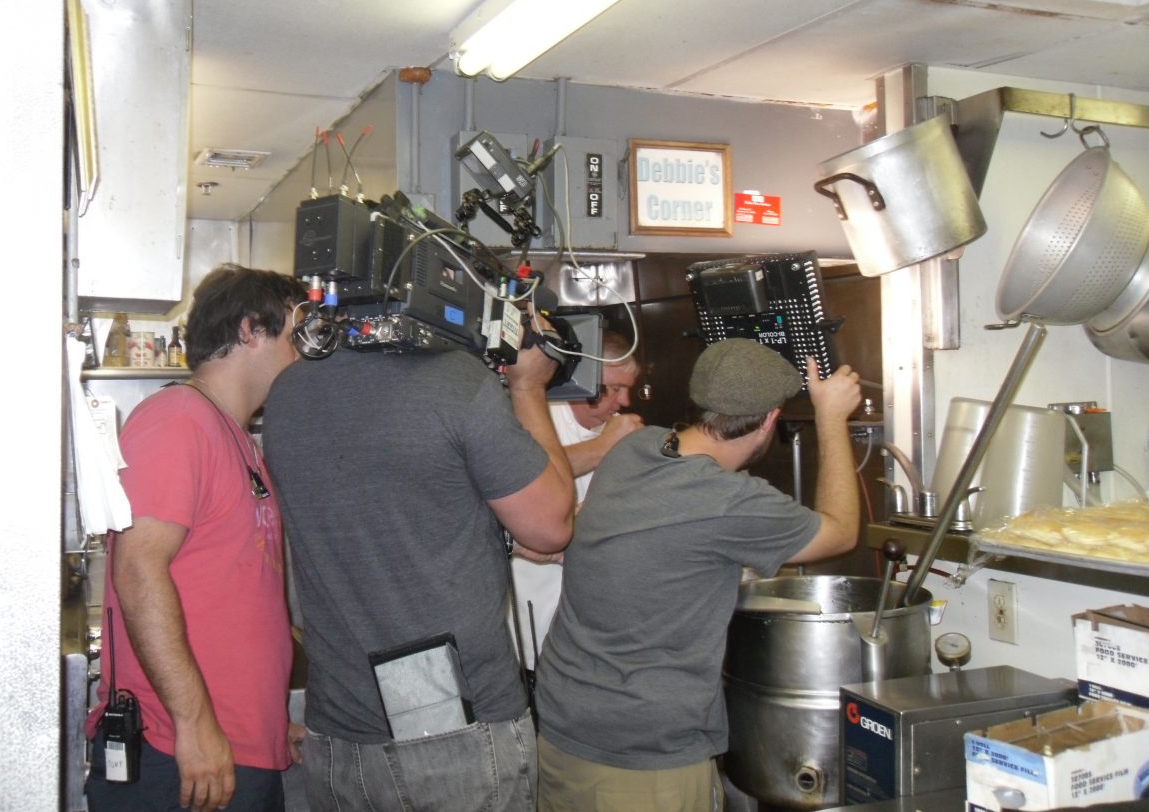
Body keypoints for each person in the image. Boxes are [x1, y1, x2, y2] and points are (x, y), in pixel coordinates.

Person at [262, 313, 575, 812]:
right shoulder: (457, 382)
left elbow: (390, 513)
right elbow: (552, 525)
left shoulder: (287, 391)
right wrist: (528, 388)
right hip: (455, 738)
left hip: (337, 733)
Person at [535, 338, 863, 812]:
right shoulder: (727, 500)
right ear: (770, 419)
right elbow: (841, 532)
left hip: (566, 723)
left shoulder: (635, 449)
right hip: (640, 759)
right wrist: (832, 419)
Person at [86, 264, 307, 812]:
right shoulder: (178, 419)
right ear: (251, 330)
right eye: (294, 336)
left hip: (238, 746)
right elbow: (138, 570)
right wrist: (195, 723)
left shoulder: (234, 435)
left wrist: (269, 726)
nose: (304, 354)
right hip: (180, 755)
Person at [511, 330, 644, 673]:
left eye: (628, 390)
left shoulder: (614, 430)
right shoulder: (538, 417)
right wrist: (602, 449)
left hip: (594, 620)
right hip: (535, 618)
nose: (624, 402)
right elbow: (528, 479)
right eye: (614, 389)